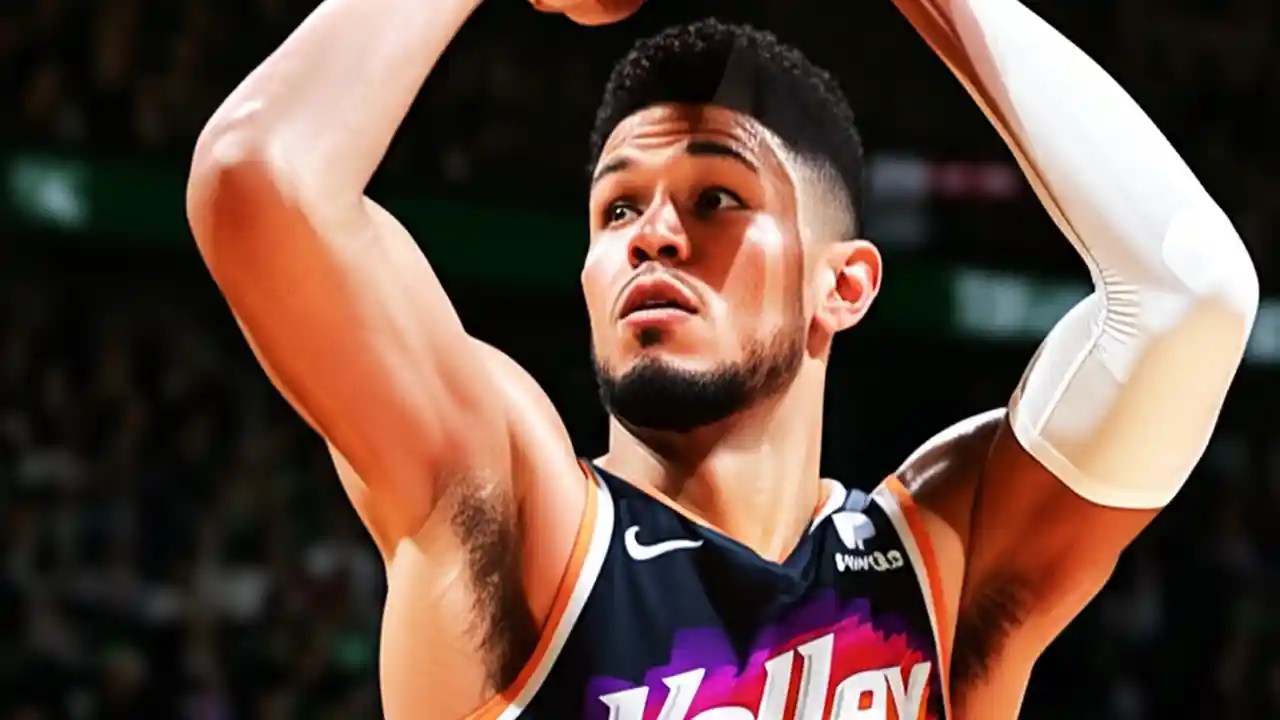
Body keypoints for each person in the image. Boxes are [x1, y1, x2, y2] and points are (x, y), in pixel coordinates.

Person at [185, 0, 1258, 717]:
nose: (652, 234)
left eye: (716, 198)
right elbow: (260, 177)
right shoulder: (520, 519)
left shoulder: (937, 574)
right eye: (616, 209)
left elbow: (1191, 293)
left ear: (842, 285)